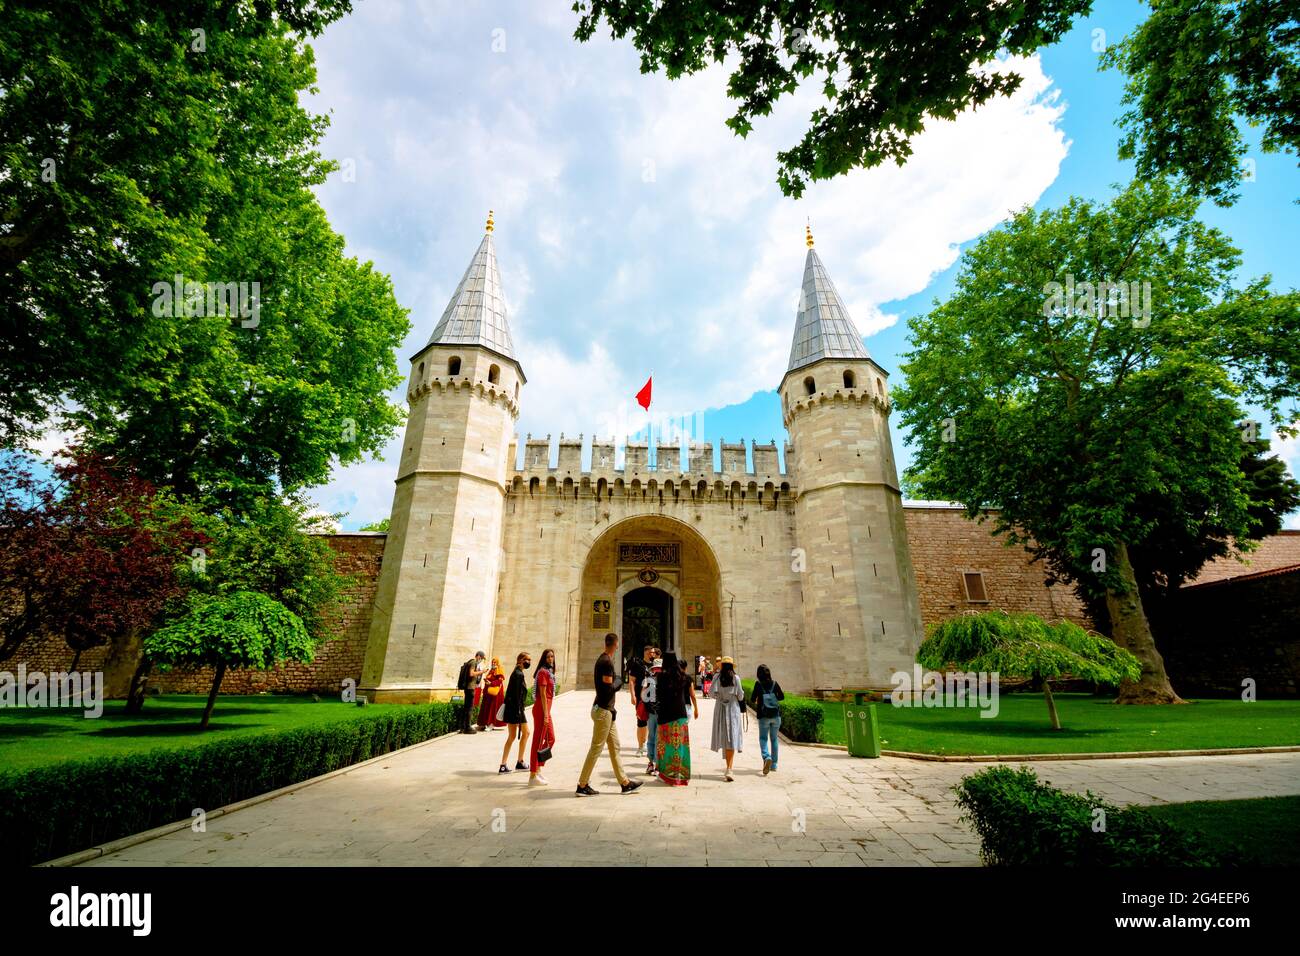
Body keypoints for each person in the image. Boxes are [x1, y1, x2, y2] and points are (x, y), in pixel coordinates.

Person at [576, 633, 643, 796]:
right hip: (603, 711)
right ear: (616, 644)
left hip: (607, 711)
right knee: (596, 748)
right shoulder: (606, 662)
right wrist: (619, 681)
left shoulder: (604, 659)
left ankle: (625, 783)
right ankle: (582, 784)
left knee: (615, 747)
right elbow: (608, 688)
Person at [654, 653, 697, 785]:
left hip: (666, 715)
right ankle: (681, 776)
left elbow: (658, 696)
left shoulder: (661, 677)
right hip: (681, 715)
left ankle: (667, 775)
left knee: (665, 746)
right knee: (680, 746)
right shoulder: (684, 677)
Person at [709, 657, 745, 781]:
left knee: (725, 736)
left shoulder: (716, 677)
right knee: (732, 736)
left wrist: (720, 696)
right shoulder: (736, 678)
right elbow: (740, 696)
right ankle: (729, 768)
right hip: (732, 708)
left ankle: (728, 767)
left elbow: (711, 693)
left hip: (720, 708)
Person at [749, 664, 786, 775]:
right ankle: (774, 765)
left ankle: (766, 757)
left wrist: (760, 700)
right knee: (774, 739)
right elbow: (782, 697)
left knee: (763, 739)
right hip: (775, 715)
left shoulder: (758, 684)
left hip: (763, 716)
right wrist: (772, 698)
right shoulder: (775, 683)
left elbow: (752, 699)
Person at [498, 652, 531, 773]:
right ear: (520, 660)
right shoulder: (518, 674)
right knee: (525, 733)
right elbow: (517, 696)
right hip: (516, 711)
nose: (529, 662)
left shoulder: (516, 673)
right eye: (527, 659)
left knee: (514, 736)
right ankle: (519, 762)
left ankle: (506, 764)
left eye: (529, 660)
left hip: (514, 710)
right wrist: (518, 716)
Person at [528, 649, 557, 786]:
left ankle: (538, 766)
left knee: (551, 738)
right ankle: (533, 775)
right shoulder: (543, 672)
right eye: (548, 656)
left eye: (552, 656)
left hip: (546, 710)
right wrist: (546, 714)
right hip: (541, 709)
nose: (551, 658)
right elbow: (543, 695)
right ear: (544, 658)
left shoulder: (550, 672)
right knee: (538, 741)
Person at [630, 643, 655, 758]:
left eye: (653, 652)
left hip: (654, 698)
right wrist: (633, 696)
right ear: (646, 652)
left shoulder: (656, 665)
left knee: (652, 722)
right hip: (641, 698)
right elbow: (631, 680)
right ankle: (640, 746)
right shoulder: (638, 664)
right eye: (651, 652)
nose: (652, 654)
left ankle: (649, 745)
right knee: (641, 722)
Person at [642, 656, 663, 775]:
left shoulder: (651, 679)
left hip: (657, 712)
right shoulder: (650, 679)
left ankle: (655, 763)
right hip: (654, 713)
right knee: (653, 737)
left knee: (655, 737)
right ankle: (652, 763)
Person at [457, 651, 486, 733]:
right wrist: (482, 672)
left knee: (466, 707)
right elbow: (471, 673)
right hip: (470, 688)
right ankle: (468, 728)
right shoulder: (473, 662)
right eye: (482, 658)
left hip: (467, 687)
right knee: (469, 708)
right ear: (479, 656)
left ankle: (463, 727)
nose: (482, 660)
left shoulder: (470, 662)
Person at [476, 657, 507, 731]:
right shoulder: (491, 671)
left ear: (498, 663)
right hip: (488, 693)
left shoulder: (499, 670)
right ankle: (484, 723)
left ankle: (491, 724)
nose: (493, 664)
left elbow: (500, 681)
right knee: (486, 708)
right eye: (492, 662)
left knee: (493, 708)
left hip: (495, 694)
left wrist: (491, 683)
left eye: (495, 662)